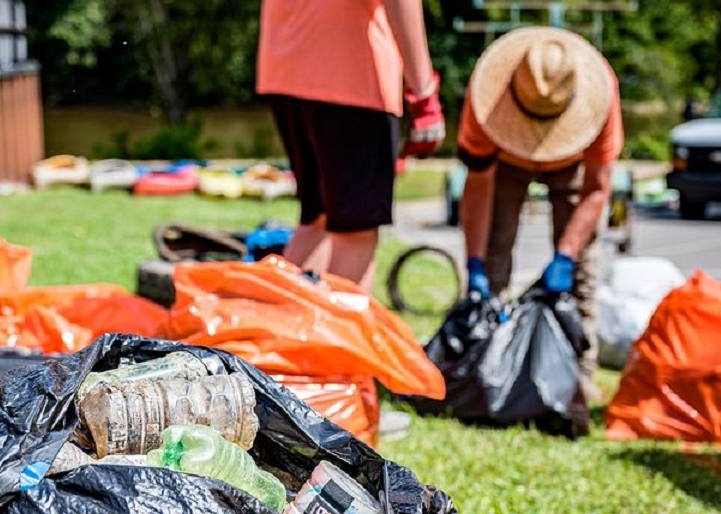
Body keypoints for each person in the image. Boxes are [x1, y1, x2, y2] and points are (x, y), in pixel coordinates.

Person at [456, 27, 623, 393]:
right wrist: (475, 263)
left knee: (581, 266)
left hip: (572, 162)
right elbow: (478, 186)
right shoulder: (486, 101)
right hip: (505, 159)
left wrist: (565, 255)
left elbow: (596, 190)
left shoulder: (601, 95)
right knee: (494, 250)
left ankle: (579, 375)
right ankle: (488, 361)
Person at [257, 0, 445, 292]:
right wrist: (424, 93)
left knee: (315, 219)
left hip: (285, 66)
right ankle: (337, 337)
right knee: (355, 233)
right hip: (351, 75)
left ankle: (281, 331)